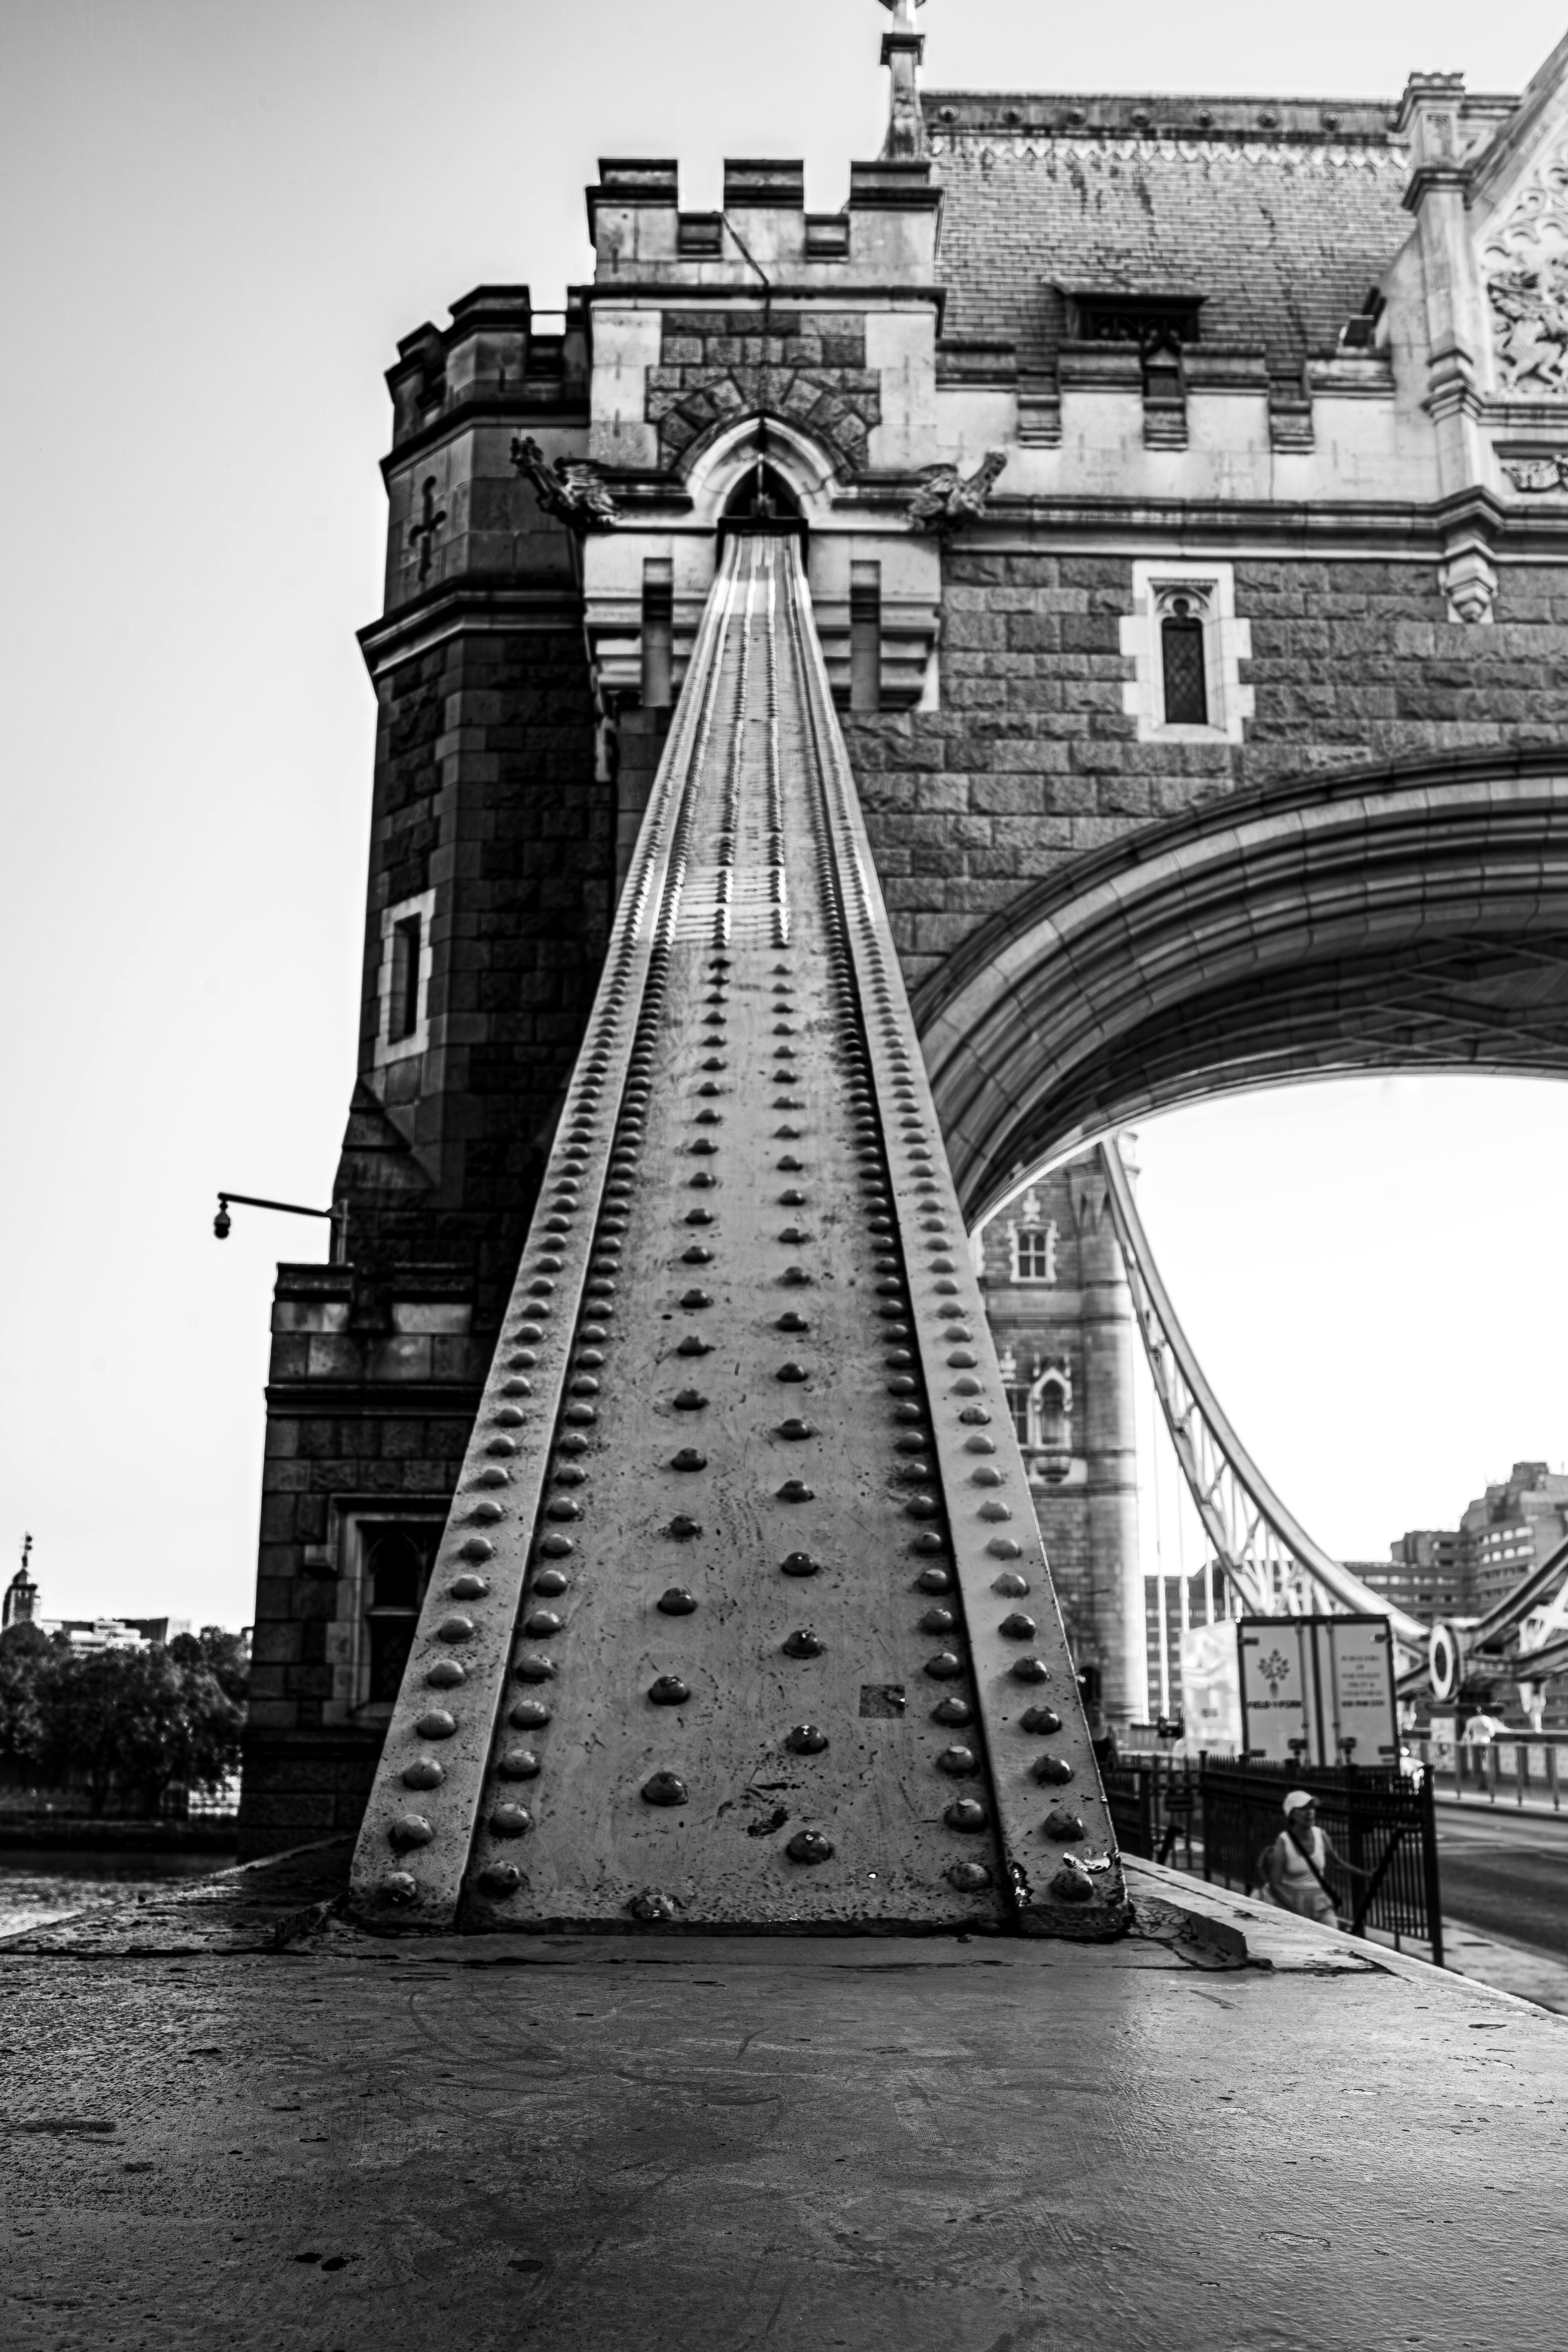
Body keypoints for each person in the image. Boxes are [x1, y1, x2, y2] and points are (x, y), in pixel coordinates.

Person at [1261, 1791, 1367, 1928]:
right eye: (1303, 1809)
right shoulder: (1283, 1842)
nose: (1310, 1812)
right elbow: (1276, 1885)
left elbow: (1337, 1863)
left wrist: (1366, 1874)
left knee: (1333, 1935)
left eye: (1312, 1808)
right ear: (1291, 1814)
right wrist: (1297, 1912)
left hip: (1320, 1903)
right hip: (1293, 1902)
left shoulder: (1321, 1835)